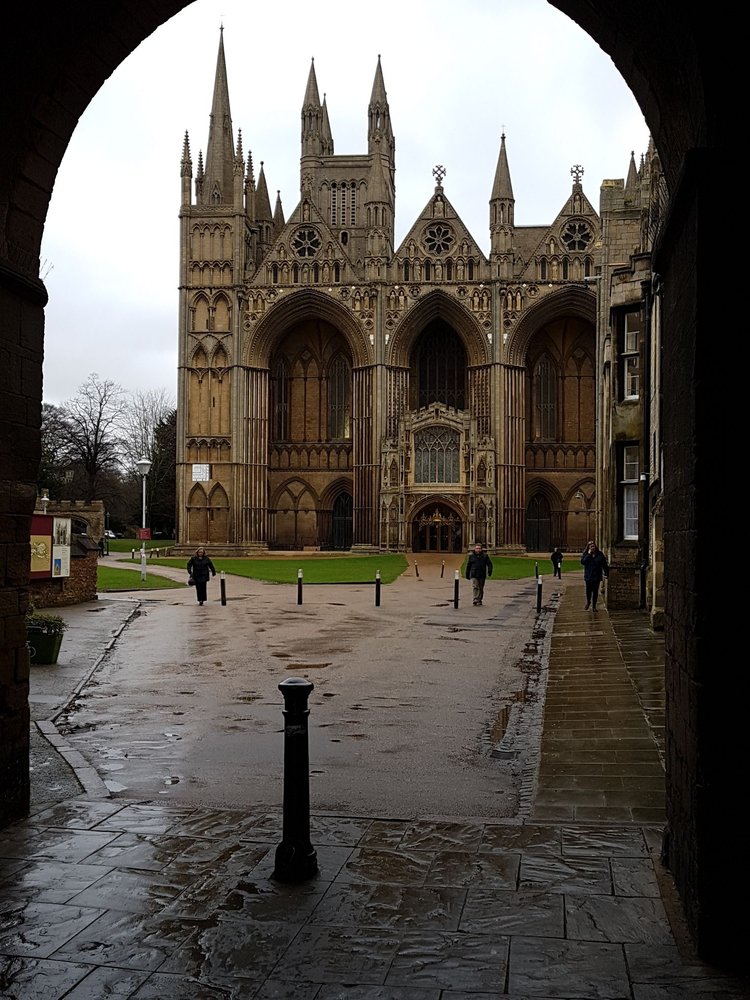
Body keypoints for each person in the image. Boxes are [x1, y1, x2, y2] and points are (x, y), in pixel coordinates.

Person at [580, 540, 609, 611]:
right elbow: (583, 562)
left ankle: (594, 606)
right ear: (588, 547)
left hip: (596, 576)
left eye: (593, 546)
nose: (592, 547)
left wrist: (606, 573)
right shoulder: (586, 554)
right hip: (588, 576)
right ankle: (588, 601)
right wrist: (589, 555)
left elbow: (604, 564)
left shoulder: (600, 554)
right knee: (588, 591)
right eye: (591, 546)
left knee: (595, 591)